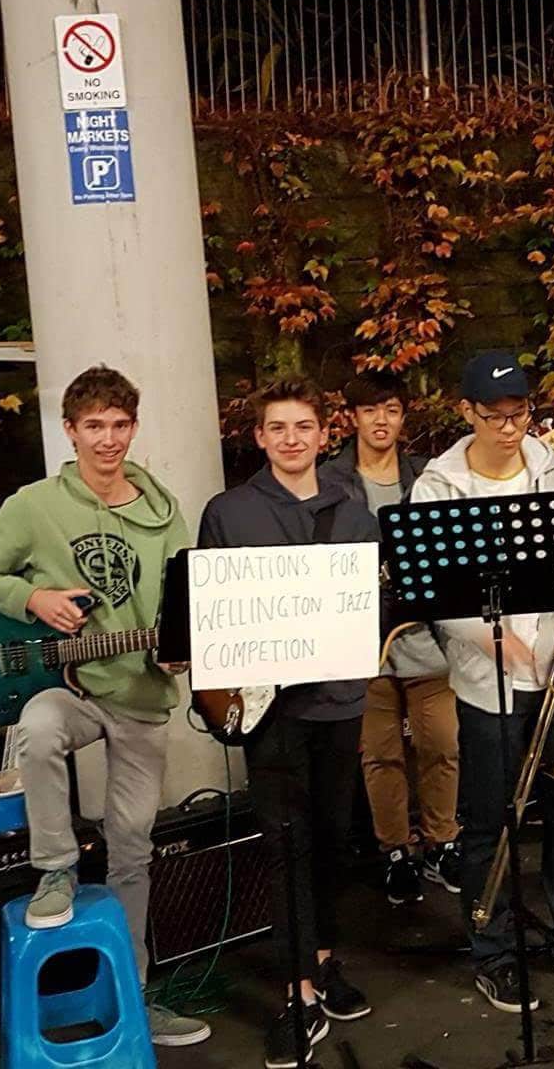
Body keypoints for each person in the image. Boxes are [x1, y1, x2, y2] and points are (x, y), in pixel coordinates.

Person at [0, 366, 209, 1048]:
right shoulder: (35, 506)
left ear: (134, 427)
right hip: (72, 687)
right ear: (69, 430)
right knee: (37, 728)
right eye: (94, 425)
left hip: (142, 694)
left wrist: (179, 651)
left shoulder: (165, 514)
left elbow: (182, 606)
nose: (108, 439)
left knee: (133, 848)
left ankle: (136, 997)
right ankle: (54, 869)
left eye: (120, 425)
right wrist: (33, 598)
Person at [411, 350, 554, 1012]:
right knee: (489, 823)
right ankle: (494, 951)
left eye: (520, 413)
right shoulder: (439, 486)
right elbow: (436, 594)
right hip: (486, 680)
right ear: (466, 412)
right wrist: (497, 643)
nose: (510, 428)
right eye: (494, 416)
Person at [194, 377, 378, 1069]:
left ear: (324, 434)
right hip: (269, 708)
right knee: (284, 843)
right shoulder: (228, 512)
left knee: (331, 838)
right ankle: (296, 993)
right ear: (259, 437)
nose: (292, 438)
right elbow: (208, 611)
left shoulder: (353, 512)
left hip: (340, 701)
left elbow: (370, 604)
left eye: (304, 426)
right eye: (278, 427)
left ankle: (323, 959)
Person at [320, 370, 462, 906]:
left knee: (442, 742)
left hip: (426, 635)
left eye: (392, 410)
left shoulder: (429, 476)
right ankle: (395, 851)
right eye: (370, 410)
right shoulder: (328, 481)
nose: (381, 421)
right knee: (380, 754)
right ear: (352, 418)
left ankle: (443, 841)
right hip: (364, 637)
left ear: (404, 417)